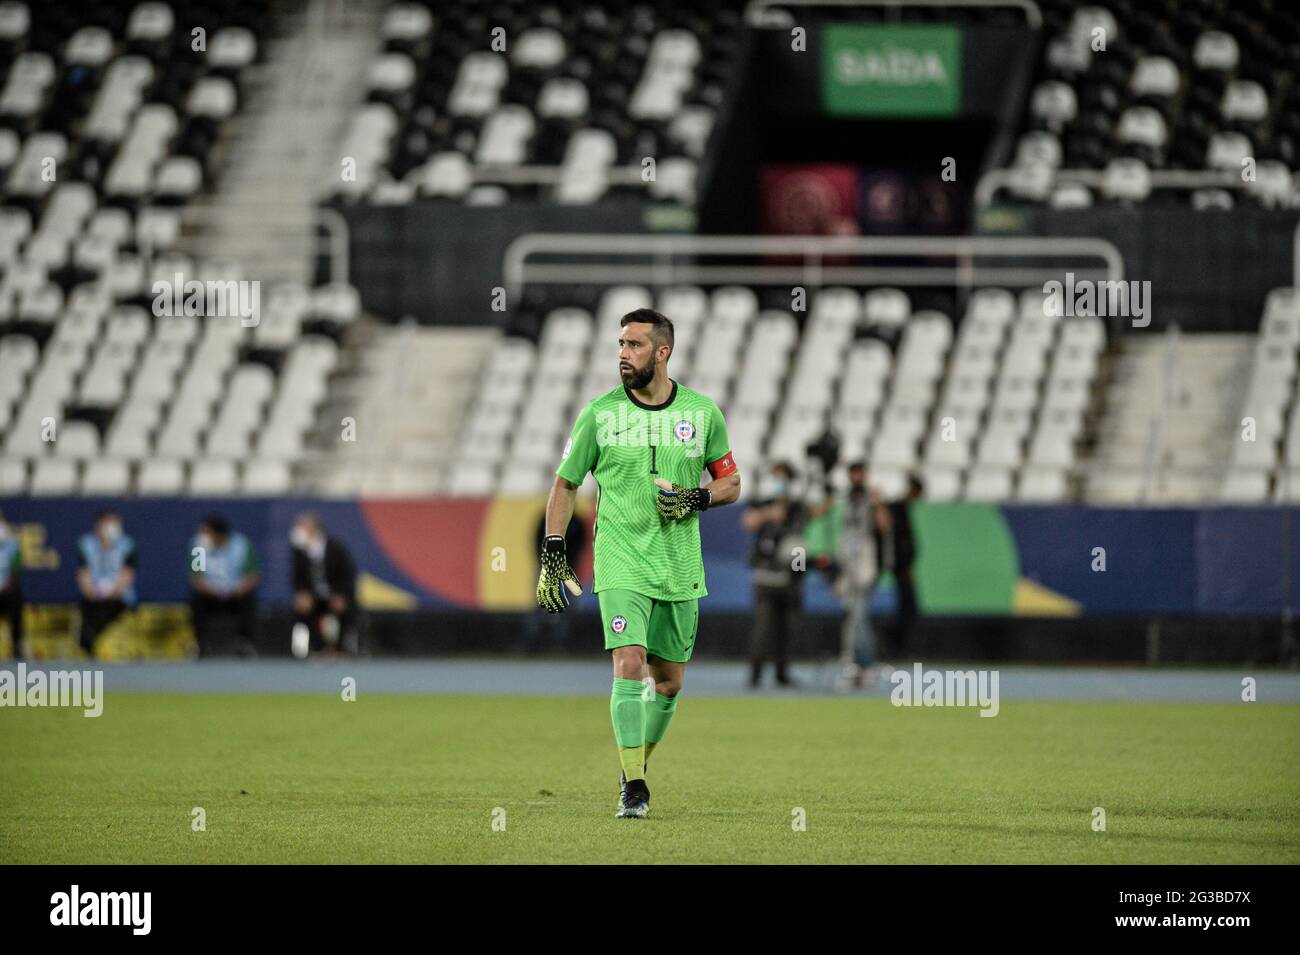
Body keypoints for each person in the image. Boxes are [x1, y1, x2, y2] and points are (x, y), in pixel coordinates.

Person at [537, 307, 742, 819]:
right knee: (628, 662)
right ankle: (634, 787)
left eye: (634, 345)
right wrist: (554, 547)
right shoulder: (599, 414)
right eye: (621, 344)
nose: (623, 354)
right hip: (620, 558)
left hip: (678, 564)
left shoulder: (701, 414)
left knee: (669, 681)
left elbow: (731, 482)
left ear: (663, 352)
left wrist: (696, 499)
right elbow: (565, 483)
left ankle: (634, 764)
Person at [742, 462, 808, 688]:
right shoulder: (764, 503)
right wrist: (769, 514)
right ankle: (755, 674)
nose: (779, 483)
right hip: (765, 575)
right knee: (762, 628)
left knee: (787, 629)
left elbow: (799, 542)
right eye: (775, 477)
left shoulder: (797, 508)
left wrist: (799, 574)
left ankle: (782, 673)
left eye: (783, 478)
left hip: (790, 576)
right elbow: (748, 522)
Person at [835, 463, 891, 690]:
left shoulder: (871, 499)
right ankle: (856, 667)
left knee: (858, 617)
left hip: (865, 564)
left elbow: (884, 526)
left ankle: (863, 665)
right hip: (848, 563)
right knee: (853, 617)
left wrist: (877, 504)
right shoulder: (846, 499)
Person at [290, 512, 359, 657]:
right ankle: (312, 649)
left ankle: (341, 649)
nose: (297, 531)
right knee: (302, 610)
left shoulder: (335, 548)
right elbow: (297, 577)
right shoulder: (299, 551)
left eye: (301, 527)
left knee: (344, 612)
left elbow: (348, 574)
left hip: (336, 595)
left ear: (314, 530)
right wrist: (302, 594)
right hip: (315, 597)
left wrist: (340, 595)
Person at [189, 515, 259, 657]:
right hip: (209, 594)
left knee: (248, 602)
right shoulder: (198, 546)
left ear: (219, 534)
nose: (203, 536)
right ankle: (200, 644)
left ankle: (245, 643)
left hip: (236, 593)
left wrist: (236, 590)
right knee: (196, 602)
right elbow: (197, 579)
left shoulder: (242, 545)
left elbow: (251, 576)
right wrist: (214, 591)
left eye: (207, 533)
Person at [523, 508, 585, 652]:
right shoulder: (546, 519)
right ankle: (530, 641)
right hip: (548, 566)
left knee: (567, 606)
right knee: (541, 604)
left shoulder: (574, 521)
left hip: (567, 568)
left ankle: (562, 642)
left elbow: (579, 544)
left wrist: (569, 563)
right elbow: (537, 541)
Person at [76, 510, 137, 657]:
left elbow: (127, 576)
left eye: (115, 523)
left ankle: (96, 641)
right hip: (93, 595)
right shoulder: (86, 544)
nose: (113, 526)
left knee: (108, 610)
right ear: (98, 525)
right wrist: (93, 592)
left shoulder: (127, 545)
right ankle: (87, 643)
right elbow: (83, 575)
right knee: (88, 608)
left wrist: (111, 592)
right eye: (109, 522)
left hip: (119, 596)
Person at [886, 475, 922, 657]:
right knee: (907, 606)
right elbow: (901, 543)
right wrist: (904, 566)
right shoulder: (898, 509)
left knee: (908, 606)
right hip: (902, 568)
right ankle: (897, 647)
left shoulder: (901, 509)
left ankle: (900, 646)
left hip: (903, 567)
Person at [0, 512, 24, 658]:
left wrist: (4, 587)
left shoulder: (12, 545)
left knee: (15, 597)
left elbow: (15, 572)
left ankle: (17, 645)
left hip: (6, 591)